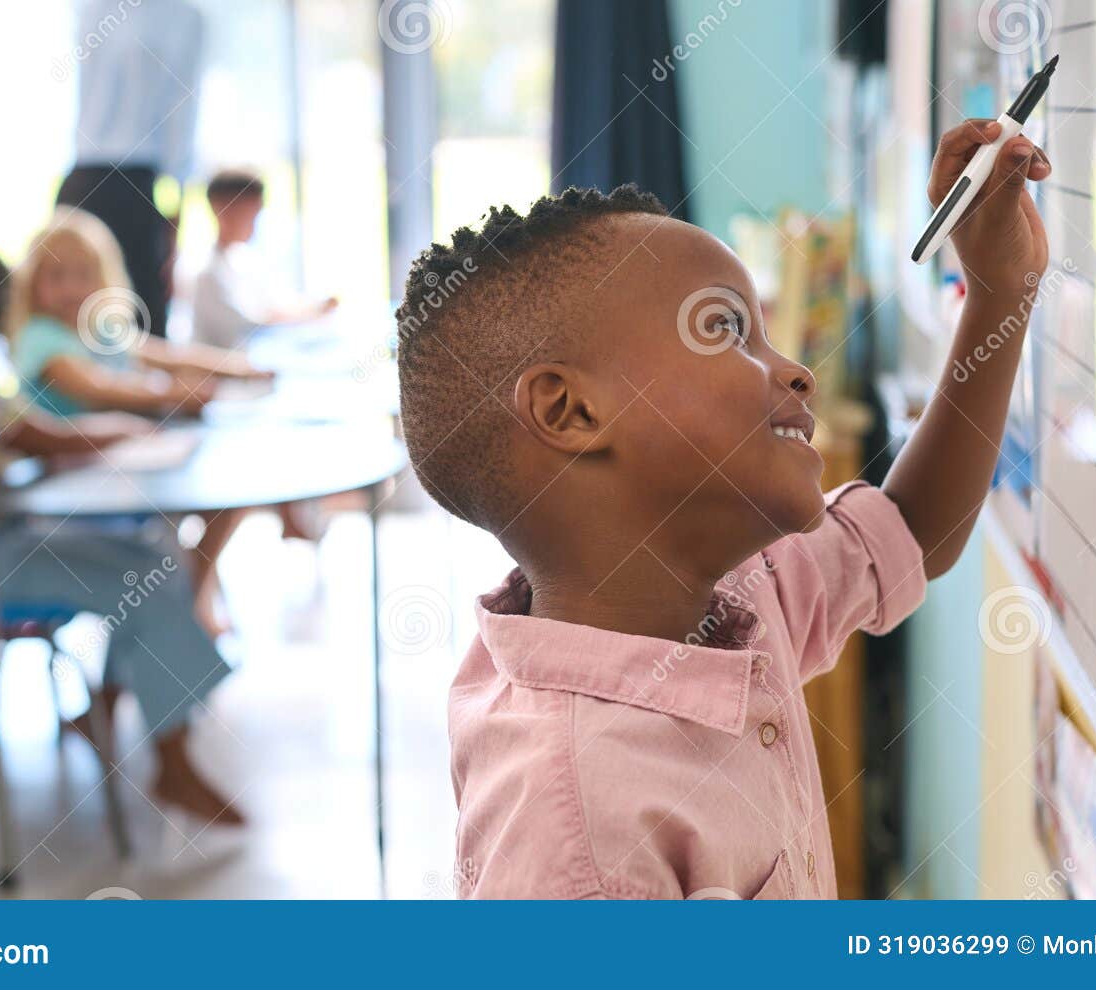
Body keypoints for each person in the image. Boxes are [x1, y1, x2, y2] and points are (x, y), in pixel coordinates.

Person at [395, 122, 1052, 898]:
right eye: (728, 330)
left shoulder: (732, 591)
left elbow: (912, 532)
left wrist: (1003, 291)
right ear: (570, 412)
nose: (797, 373)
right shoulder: (571, 828)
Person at [0, 235, 244, 825]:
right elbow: (51, 436)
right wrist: (135, 428)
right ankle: (169, 758)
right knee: (149, 570)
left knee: (149, 559)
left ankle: (126, 723)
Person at [8, 207, 269, 634]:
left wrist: (239, 367)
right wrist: (175, 392)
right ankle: (187, 605)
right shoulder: (40, 339)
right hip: (72, 484)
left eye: (82, 274)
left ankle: (189, 596)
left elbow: (167, 353)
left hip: (122, 467)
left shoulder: (102, 328)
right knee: (195, 509)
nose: (71, 288)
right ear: (32, 286)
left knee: (226, 497)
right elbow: (98, 386)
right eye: (56, 277)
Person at [56, 0, 205, 336]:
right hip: (119, 187)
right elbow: (183, 120)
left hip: (96, 183)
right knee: (85, 326)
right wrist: (174, 222)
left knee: (119, 328)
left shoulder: (94, 8)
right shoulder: (184, 17)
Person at [192, 169, 337, 350]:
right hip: (224, 374)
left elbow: (272, 305)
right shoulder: (205, 273)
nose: (254, 225)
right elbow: (249, 328)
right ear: (221, 210)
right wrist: (309, 314)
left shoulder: (243, 260)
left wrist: (317, 308)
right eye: (249, 215)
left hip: (250, 369)